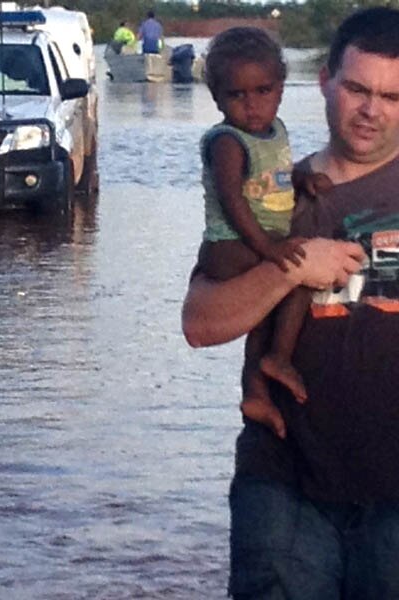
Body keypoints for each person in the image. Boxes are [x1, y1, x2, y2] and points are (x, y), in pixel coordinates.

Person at [183, 7, 399, 598]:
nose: (370, 110)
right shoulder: (273, 193)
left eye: (391, 96)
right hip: (284, 487)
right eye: (356, 88)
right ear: (324, 80)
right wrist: (298, 265)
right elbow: (200, 324)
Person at [198, 27, 315, 440]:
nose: (252, 105)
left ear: (281, 90)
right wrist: (267, 248)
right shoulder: (228, 142)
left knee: (262, 315)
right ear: (216, 97)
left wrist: (301, 178)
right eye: (237, 95)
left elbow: (272, 177)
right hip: (230, 245)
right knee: (302, 274)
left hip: (253, 241)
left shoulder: (273, 130)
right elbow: (233, 200)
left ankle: (256, 392)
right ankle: (279, 359)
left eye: (263, 91)